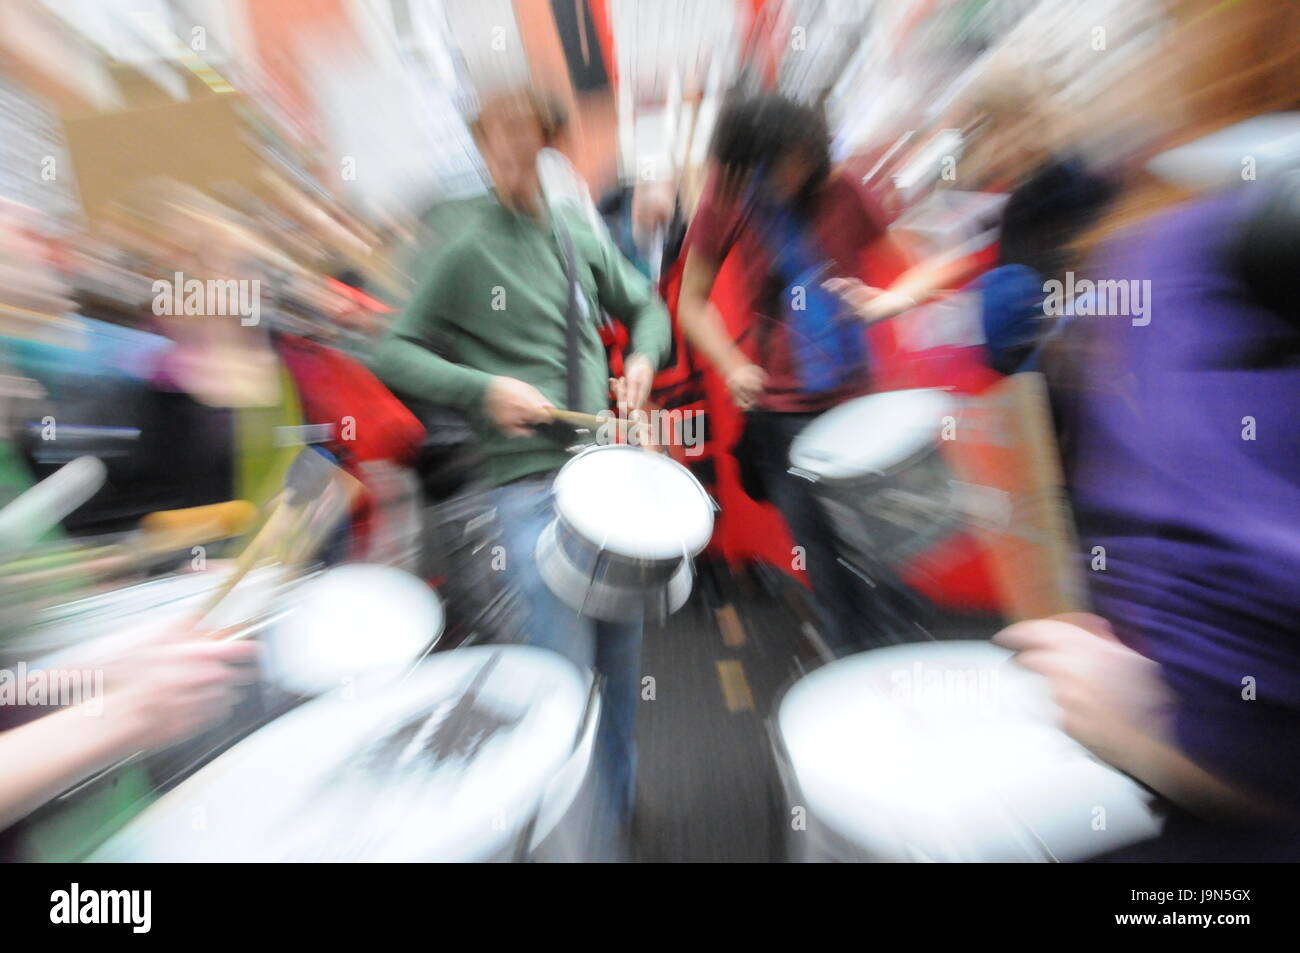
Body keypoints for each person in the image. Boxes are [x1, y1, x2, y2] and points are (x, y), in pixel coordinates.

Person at [374, 88, 670, 854]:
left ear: (547, 143)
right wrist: (482, 390)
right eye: (490, 139)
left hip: (606, 479)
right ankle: (586, 841)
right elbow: (394, 348)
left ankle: (616, 811)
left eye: (520, 136)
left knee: (621, 665)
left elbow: (649, 309)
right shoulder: (465, 243)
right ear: (478, 146)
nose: (505, 152)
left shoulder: (577, 229)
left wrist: (640, 357)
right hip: (528, 495)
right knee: (563, 686)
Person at [676, 92, 918, 656]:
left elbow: (906, 267)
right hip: (783, 415)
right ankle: (848, 661)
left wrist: (888, 300)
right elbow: (692, 300)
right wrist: (733, 363)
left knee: (883, 550)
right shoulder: (729, 197)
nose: (785, 175)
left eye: (796, 160)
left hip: (860, 400)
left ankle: (900, 663)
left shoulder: (845, 191)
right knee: (822, 553)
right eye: (768, 164)